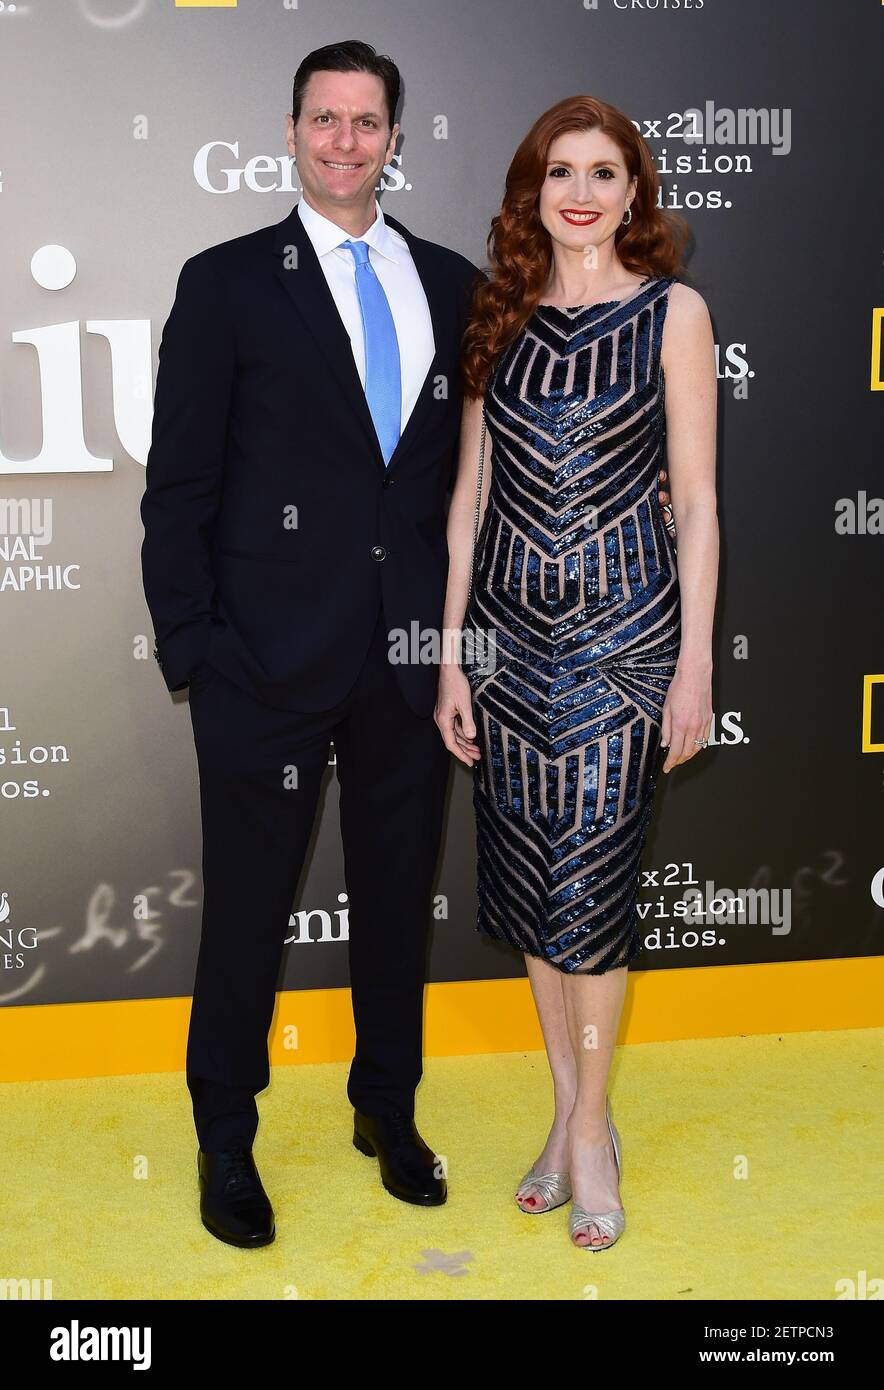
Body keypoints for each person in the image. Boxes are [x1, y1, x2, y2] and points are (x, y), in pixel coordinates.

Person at [140, 40, 483, 1248]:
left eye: (367, 121)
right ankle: (224, 1136)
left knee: (397, 902)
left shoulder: (451, 283)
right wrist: (197, 649)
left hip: (405, 661)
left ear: (398, 136)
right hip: (260, 670)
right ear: (290, 132)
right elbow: (177, 482)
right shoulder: (227, 280)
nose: (345, 140)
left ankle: (384, 1109)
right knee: (245, 914)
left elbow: (460, 483)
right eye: (324, 119)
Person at [436, 96, 718, 1251]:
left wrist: (691, 658)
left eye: (604, 172)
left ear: (633, 191)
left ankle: (591, 1129)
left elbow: (696, 503)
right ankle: (563, 1116)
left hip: (625, 640)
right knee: (534, 903)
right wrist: (453, 652)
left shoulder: (673, 313)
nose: (581, 192)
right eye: (560, 171)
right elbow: (467, 503)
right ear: (529, 190)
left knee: (590, 899)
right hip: (504, 641)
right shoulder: (497, 315)